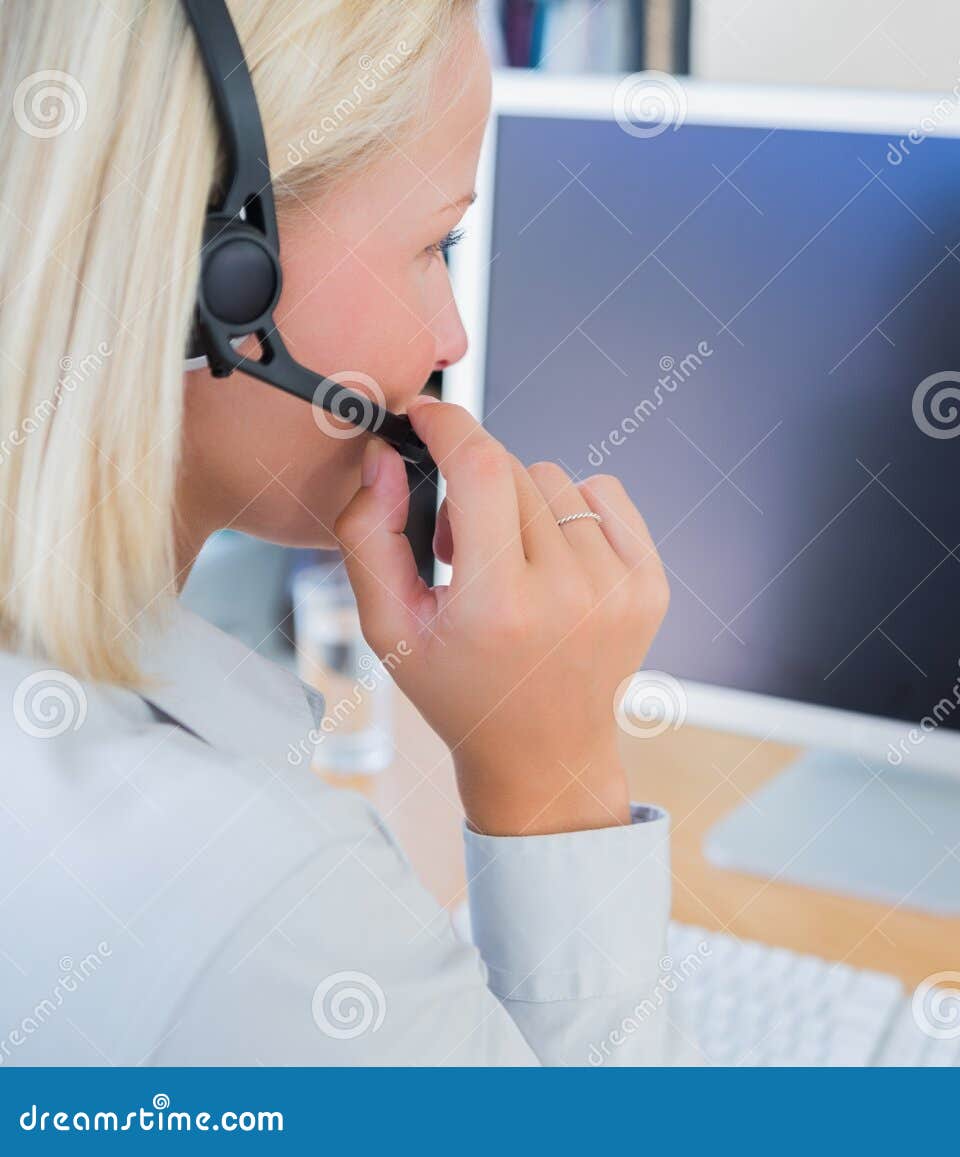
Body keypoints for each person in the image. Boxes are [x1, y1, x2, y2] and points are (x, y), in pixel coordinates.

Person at [0, 0, 677, 1064]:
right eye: (435, 242)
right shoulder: (262, 910)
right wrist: (555, 784)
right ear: (217, 273)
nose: (452, 335)